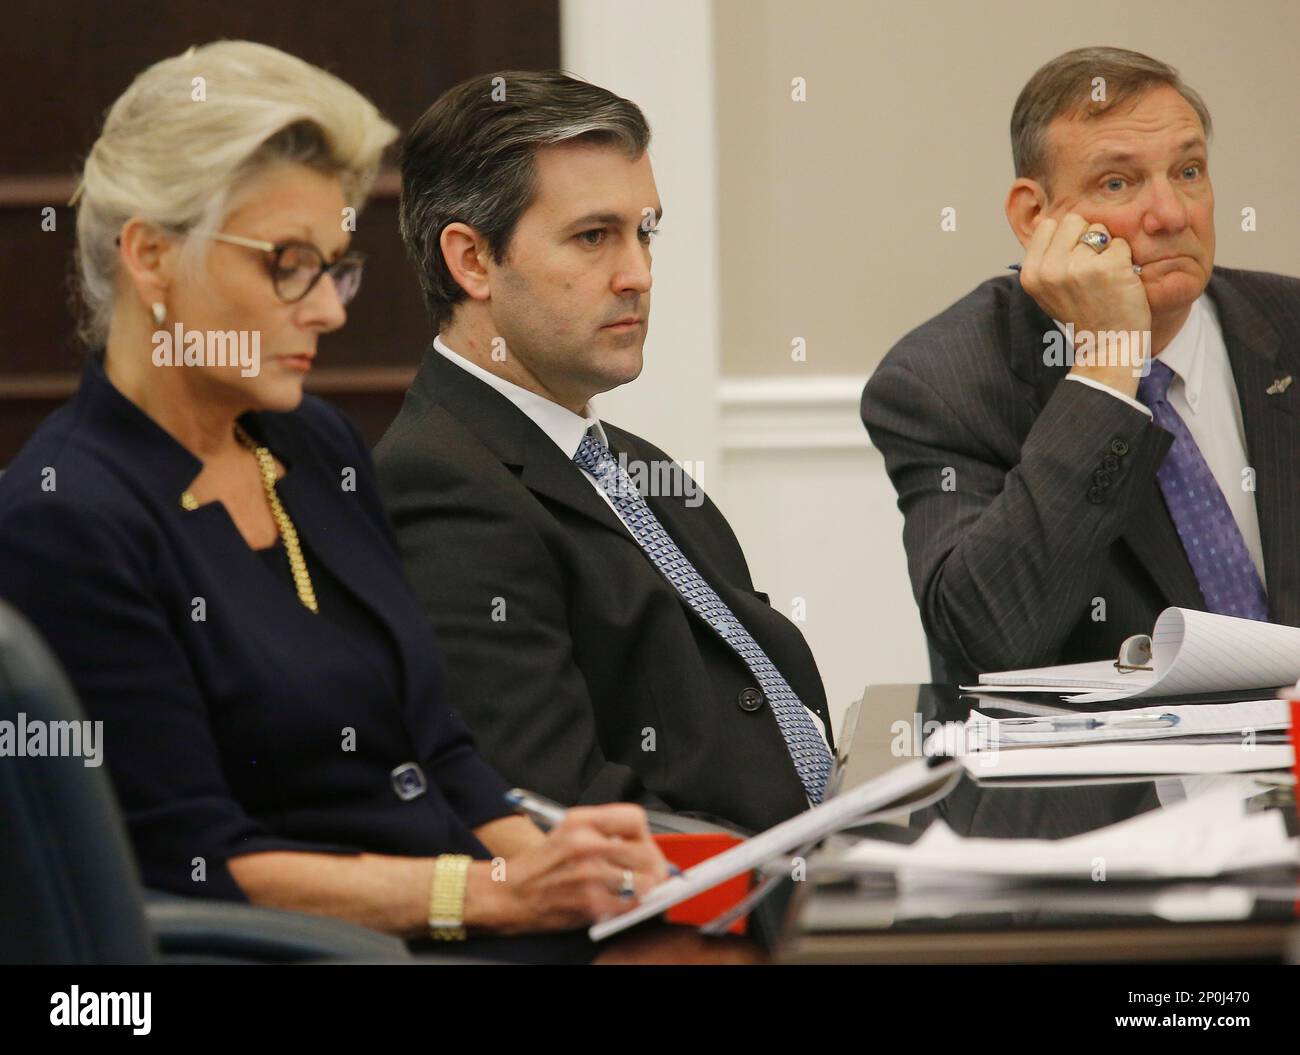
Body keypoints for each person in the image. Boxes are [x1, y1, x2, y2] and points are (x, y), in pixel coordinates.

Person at [0, 41, 673, 964]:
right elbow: (200, 863)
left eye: (335, 267)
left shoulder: (311, 446)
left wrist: (580, 875)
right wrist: (497, 894)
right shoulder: (66, 520)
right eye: (288, 264)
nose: (327, 309)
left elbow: (442, 755)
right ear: (152, 258)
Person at [374, 71, 835, 835]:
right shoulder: (437, 487)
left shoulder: (626, 459)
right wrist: (791, 878)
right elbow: (560, 809)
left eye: (644, 232)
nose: (639, 275)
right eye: (594, 237)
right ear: (472, 261)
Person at [861, 47, 1300, 683]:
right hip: (1112, 778)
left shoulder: (1287, 325)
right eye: (1117, 183)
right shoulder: (942, 381)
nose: (1172, 214)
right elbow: (987, 639)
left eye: (1189, 171)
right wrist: (1110, 366)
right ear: (1034, 216)